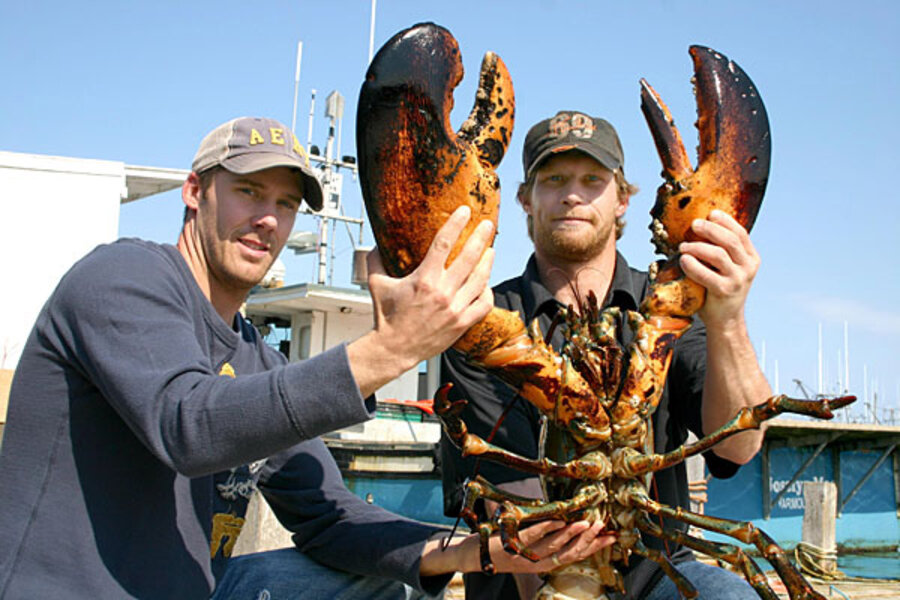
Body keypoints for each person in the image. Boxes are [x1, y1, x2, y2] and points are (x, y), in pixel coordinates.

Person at [0, 116, 612, 599]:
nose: (267, 218)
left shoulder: (254, 355)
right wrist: (392, 347)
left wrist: (482, 551)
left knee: (389, 583)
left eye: (287, 203)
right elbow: (188, 424)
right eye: (247, 191)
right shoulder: (122, 274)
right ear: (194, 192)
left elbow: (327, 516)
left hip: (200, 590)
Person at [439, 110, 773, 599]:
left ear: (623, 200)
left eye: (592, 180)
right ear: (524, 199)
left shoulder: (670, 307)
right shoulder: (479, 323)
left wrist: (727, 316)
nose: (572, 194)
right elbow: (516, 522)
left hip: (661, 571)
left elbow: (738, 447)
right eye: (553, 179)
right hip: (532, 576)